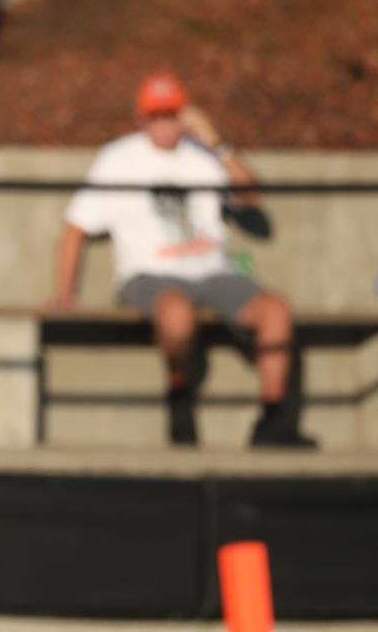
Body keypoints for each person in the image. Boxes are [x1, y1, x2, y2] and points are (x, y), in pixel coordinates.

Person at [47, 73, 315, 449]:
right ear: (140, 119)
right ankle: (179, 392)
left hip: (214, 271)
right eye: (155, 116)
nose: (165, 124)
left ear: (186, 115)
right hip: (149, 275)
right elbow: (75, 228)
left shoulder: (204, 154)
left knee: (277, 312)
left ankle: (272, 424)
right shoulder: (118, 158)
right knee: (177, 312)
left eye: (172, 114)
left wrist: (218, 143)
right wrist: (64, 293)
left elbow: (252, 198)